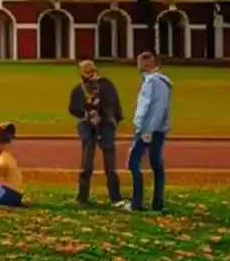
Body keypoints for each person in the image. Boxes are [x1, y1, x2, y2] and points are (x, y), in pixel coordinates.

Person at [68, 61, 123, 205]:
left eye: (90, 70)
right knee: (87, 162)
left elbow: (113, 104)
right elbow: (73, 108)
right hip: (88, 127)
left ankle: (115, 197)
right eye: (86, 71)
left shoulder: (105, 86)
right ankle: (83, 197)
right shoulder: (79, 89)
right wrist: (86, 115)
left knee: (109, 164)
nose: (89, 73)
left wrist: (104, 116)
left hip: (105, 126)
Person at [123, 52, 173, 212]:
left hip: (148, 129)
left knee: (133, 163)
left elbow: (150, 107)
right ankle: (157, 202)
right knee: (156, 163)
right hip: (158, 128)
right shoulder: (160, 82)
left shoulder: (152, 82)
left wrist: (145, 129)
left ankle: (137, 203)